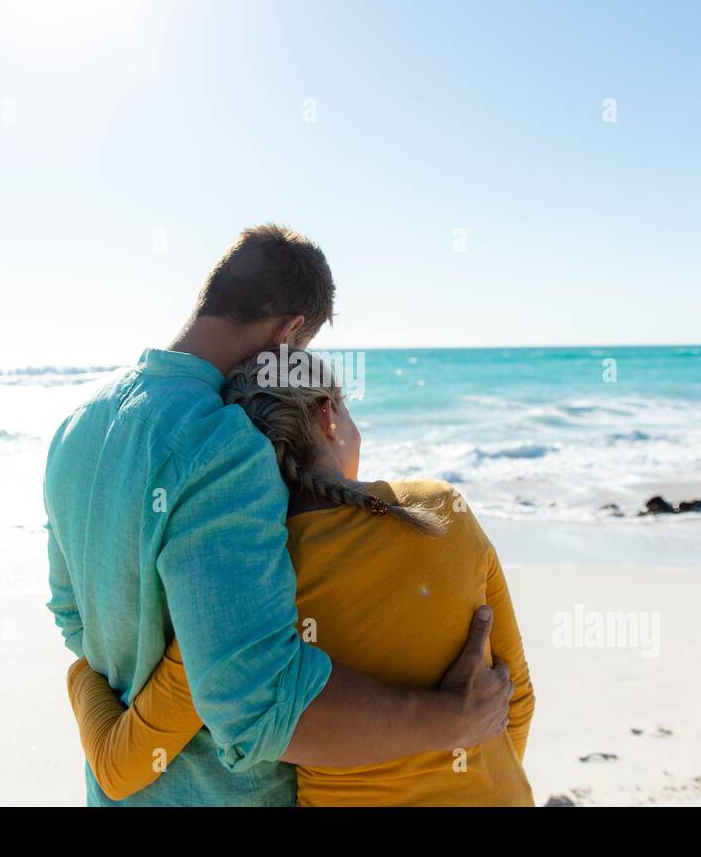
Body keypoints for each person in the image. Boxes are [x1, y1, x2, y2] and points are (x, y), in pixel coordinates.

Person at [44, 224, 513, 806]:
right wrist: (449, 723)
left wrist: (121, 742)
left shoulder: (79, 423)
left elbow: (74, 618)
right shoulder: (224, 444)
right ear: (291, 332)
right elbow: (258, 707)